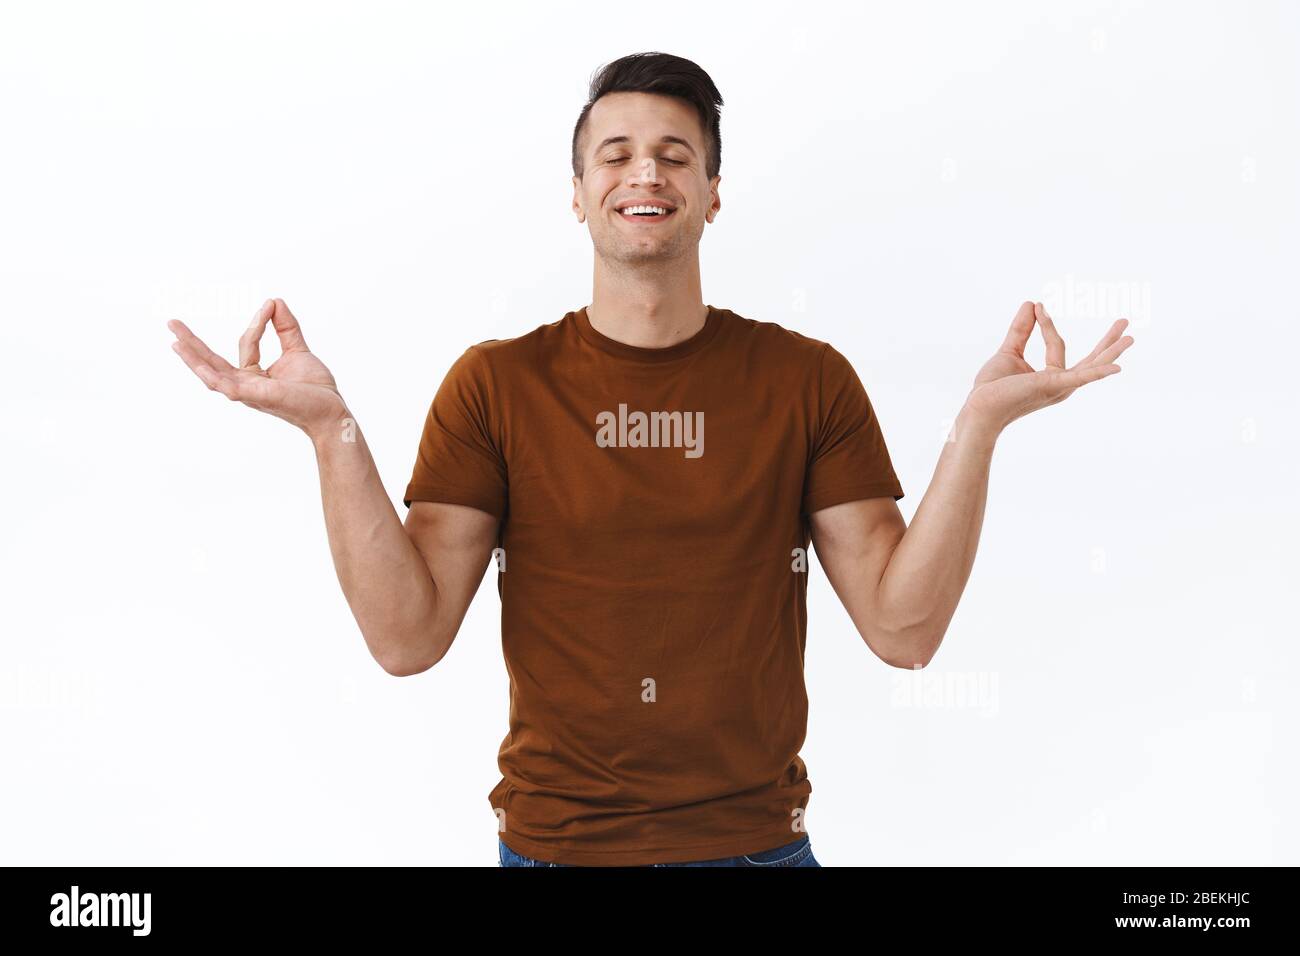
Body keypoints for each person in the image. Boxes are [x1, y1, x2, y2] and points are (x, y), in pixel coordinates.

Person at [166, 51, 1133, 868]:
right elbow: (406, 638)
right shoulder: (495, 386)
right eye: (616, 155)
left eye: (676, 156)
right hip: (553, 848)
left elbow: (905, 627)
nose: (646, 175)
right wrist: (332, 433)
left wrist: (977, 430)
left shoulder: (806, 381)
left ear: (712, 193)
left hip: (757, 848)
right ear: (579, 193)